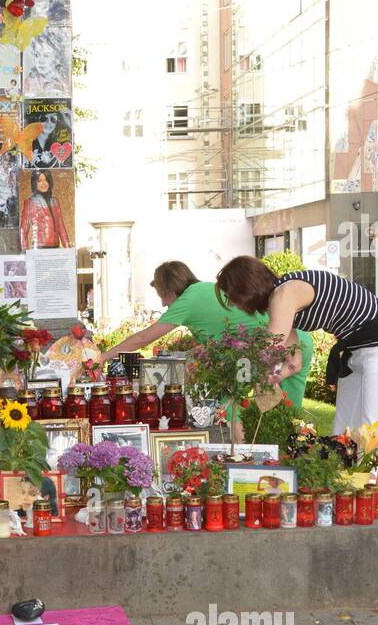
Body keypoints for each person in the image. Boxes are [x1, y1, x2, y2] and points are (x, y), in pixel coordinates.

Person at [99, 260, 314, 411]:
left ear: (171, 290)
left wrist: (103, 357)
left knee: (232, 400)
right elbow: (222, 337)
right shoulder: (204, 290)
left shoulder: (188, 301)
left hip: (279, 348)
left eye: (162, 296)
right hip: (297, 341)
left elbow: (144, 338)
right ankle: (279, 464)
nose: (164, 303)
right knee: (284, 417)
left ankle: (240, 459)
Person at [215, 257, 378, 432]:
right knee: (345, 426)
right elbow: (294, 364)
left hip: (372, 345)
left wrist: (236, 377)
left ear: (245, 288)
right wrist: (271, 379)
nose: (231, 303)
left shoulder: (284, 295)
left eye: (231, 296)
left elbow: (265, 352)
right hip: (356, 349)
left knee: (370, 424)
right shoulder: (281, 301)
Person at [19, 169, 69, 250]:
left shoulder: (55, 201)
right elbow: (23, 230)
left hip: (56, 247)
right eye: (39, 181)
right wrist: (25, 253)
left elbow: (61, 227)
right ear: (35, 183)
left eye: (46, 180)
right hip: (40, 249)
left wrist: (67, 249)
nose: (44, 183)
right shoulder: (30, 202)